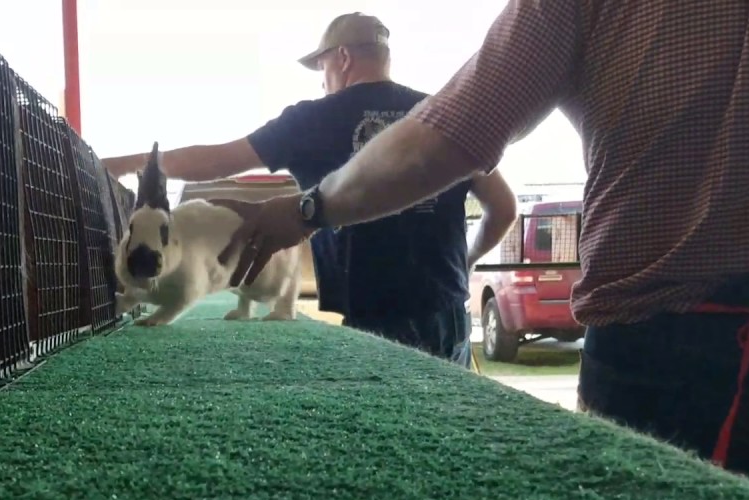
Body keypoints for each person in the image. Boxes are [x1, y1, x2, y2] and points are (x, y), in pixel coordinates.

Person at [221, 2, 749, 500]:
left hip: (659, 340)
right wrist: (462, 267)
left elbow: (451, 136)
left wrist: (306, 209)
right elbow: (497, 199)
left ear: (340, 58)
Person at [103, 13, 518, 368]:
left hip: (373, 315)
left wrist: (127, 165)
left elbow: (216, 160)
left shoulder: (311, 120)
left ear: (342, 57)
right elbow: (502, 208)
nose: (323, 83)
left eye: (322, 69)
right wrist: (467, 262)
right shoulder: (440, 114)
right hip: (445, 310)